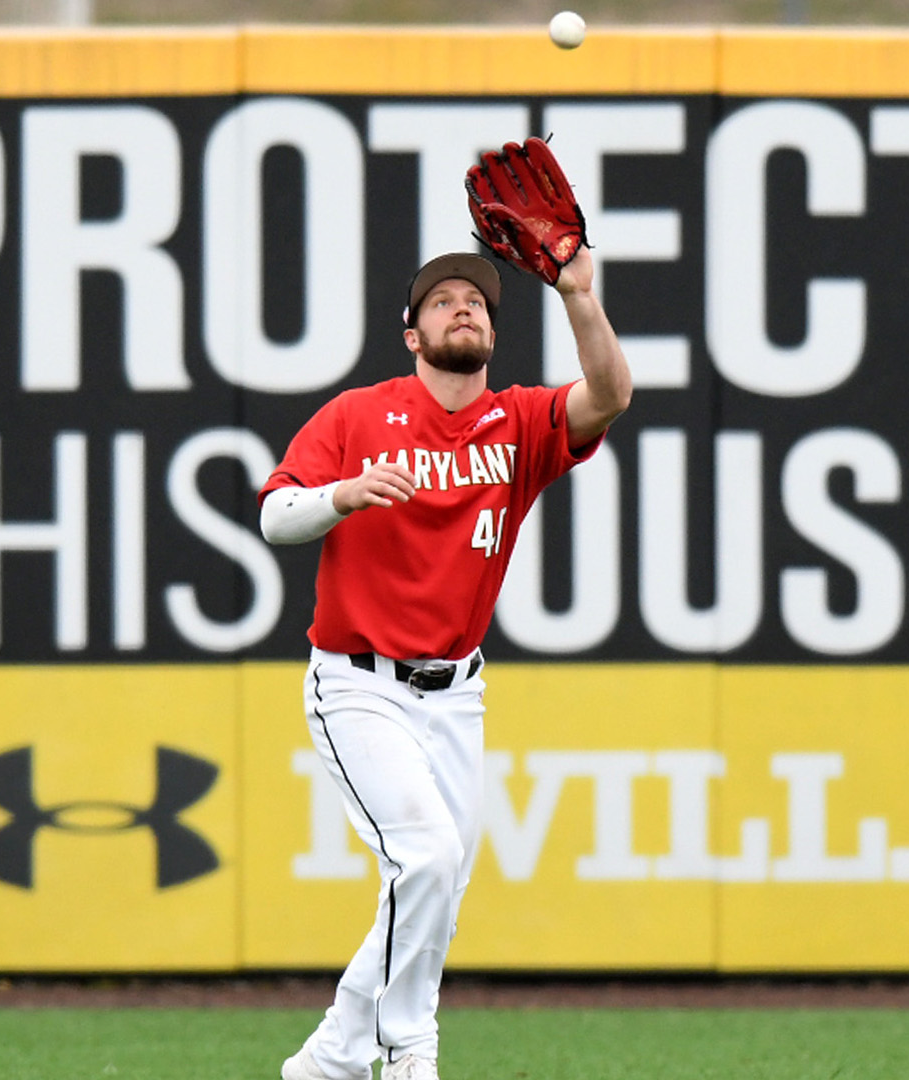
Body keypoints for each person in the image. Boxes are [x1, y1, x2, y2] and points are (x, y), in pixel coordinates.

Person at [258, 248, 632, 1080]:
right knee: (424, 860)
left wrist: (577, 296)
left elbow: (609, 397)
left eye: (478, 303)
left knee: (436, 889)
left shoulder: (519, 424)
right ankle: (409, 1053)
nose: (463, 309)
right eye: (443, 302)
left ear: (493, 333)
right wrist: (340, 495)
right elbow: (277, 515)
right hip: (358, 682)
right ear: (411, 334)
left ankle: (329, 1060)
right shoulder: (358, 416)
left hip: (456, 692)